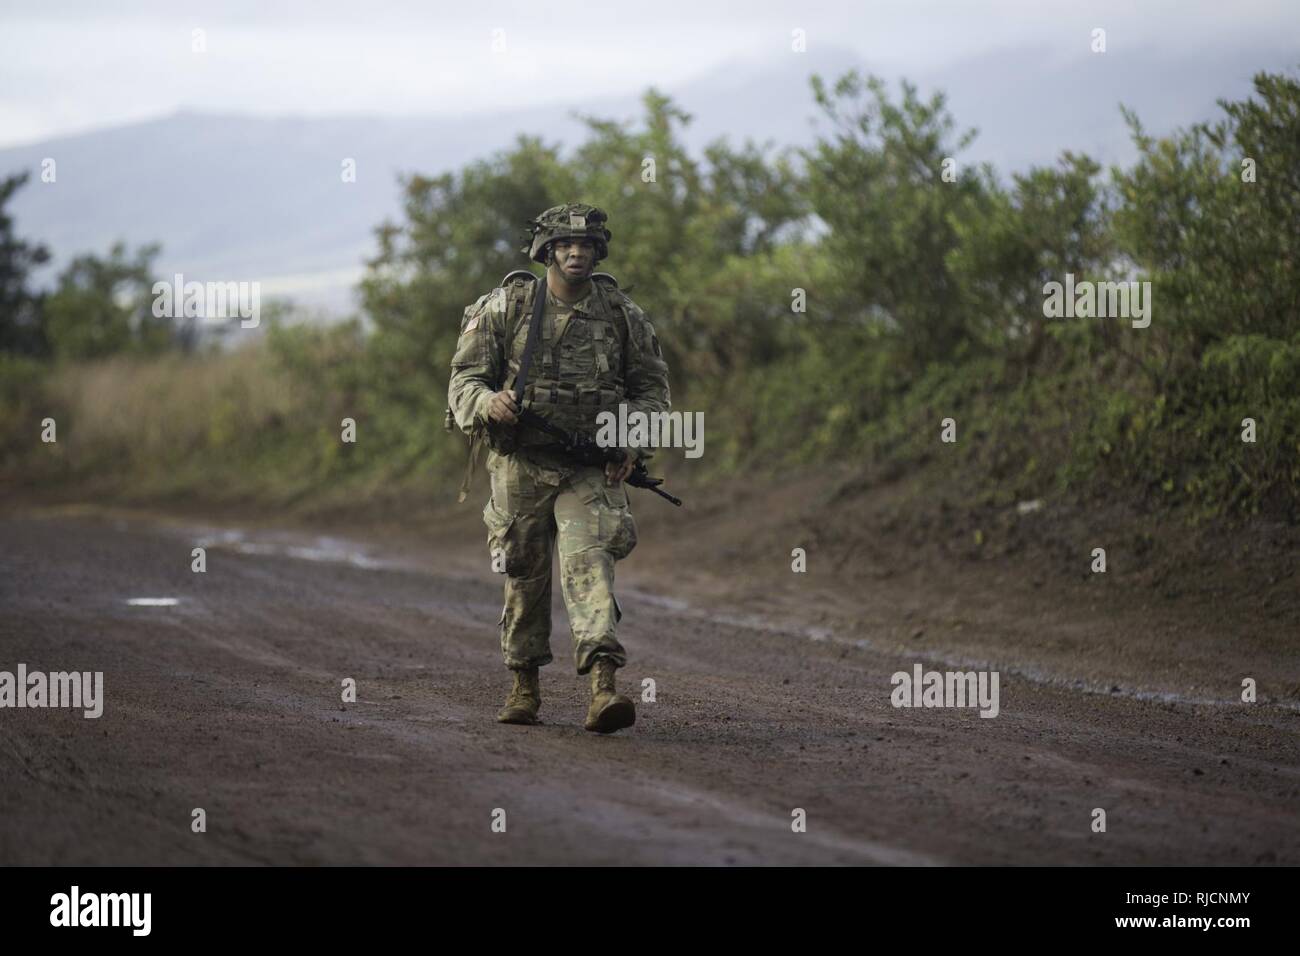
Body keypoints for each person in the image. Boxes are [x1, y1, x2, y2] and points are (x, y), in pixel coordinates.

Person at [447, 203, 671, 734]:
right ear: (546, 251)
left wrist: (629, 441)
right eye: (566, 245)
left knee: (590, 566)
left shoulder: (622, 315)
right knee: (524, 575)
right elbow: (463, 381)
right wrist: (487, 404)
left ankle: (603, 688)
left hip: (587, 469)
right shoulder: (507, 307)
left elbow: (653, 393)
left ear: (598, 252)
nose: (576, 253)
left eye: (586, 245)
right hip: (520, 465)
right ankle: (524, 684)